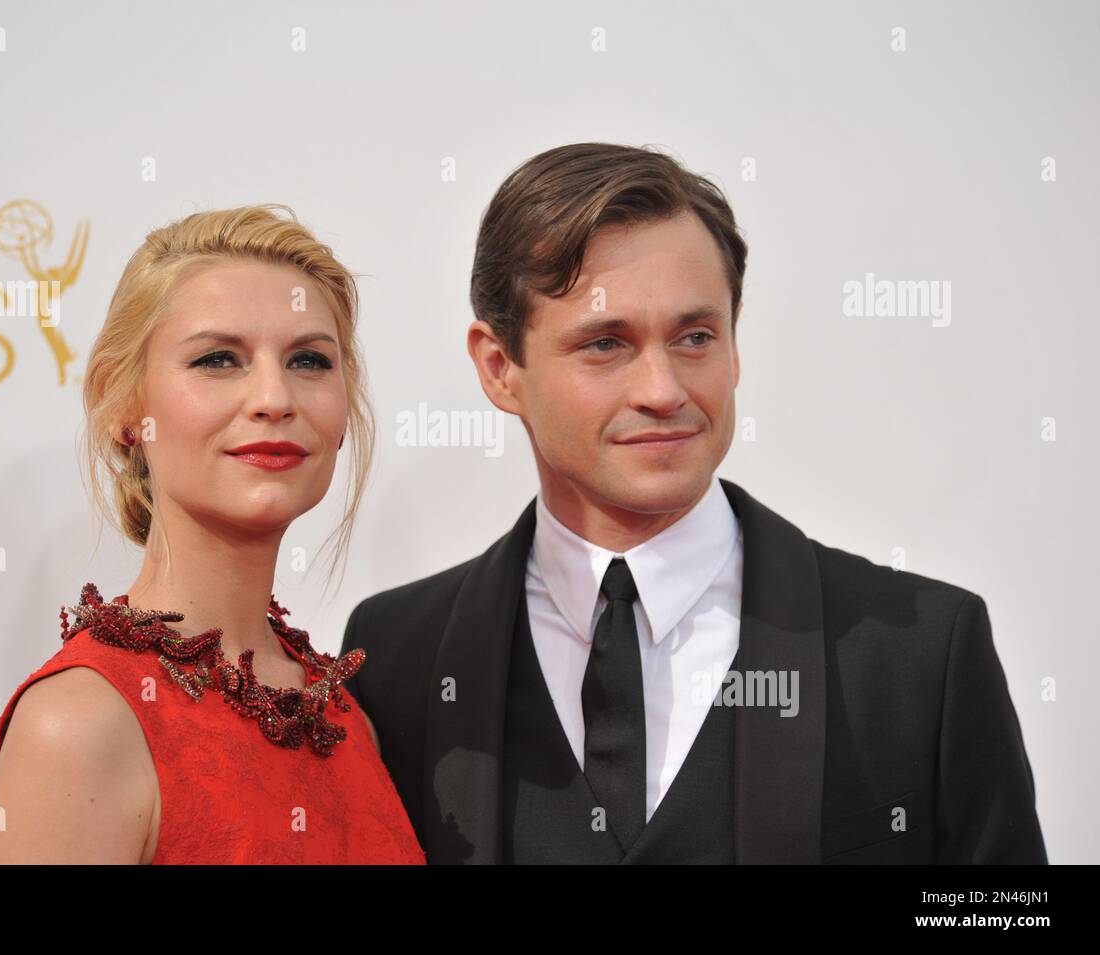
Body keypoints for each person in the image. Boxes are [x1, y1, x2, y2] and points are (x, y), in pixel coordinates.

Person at [340, 142, 1048, 864]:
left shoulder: (920, 652)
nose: (663, 389)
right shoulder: (398, 656)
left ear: (734, 347)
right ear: (500, 368)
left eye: (695, 337)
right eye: (606, 343)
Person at [0, 205, 425, 864]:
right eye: (219, 359)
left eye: (309, 359)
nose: (273, 396)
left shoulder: (343, 715)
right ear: (125, 407)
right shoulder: (79, 724)